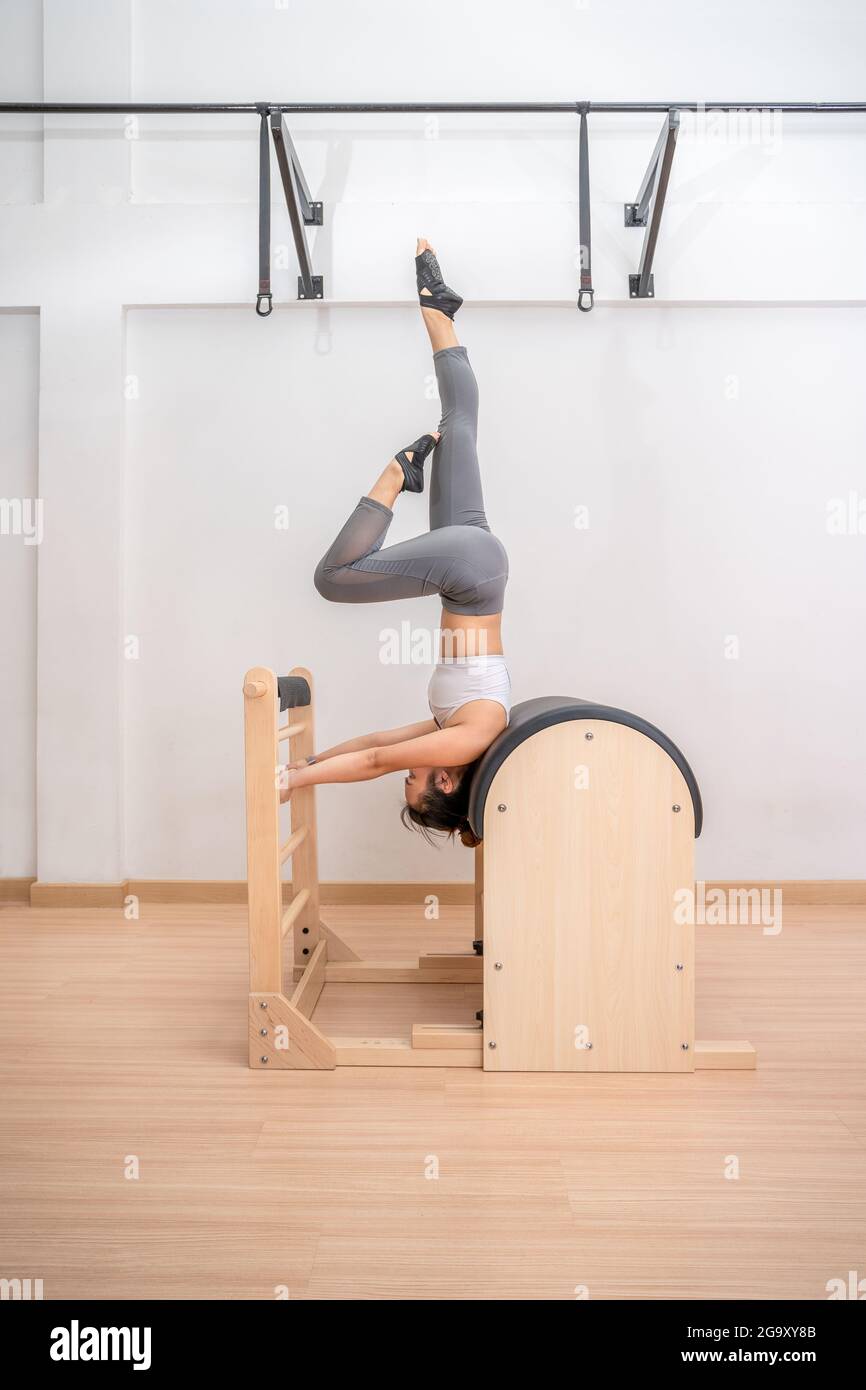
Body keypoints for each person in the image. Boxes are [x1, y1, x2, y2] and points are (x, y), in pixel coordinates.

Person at [281, 240, 510, 847]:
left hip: (476, 567)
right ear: (445, 781)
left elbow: (376, 745)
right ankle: (396, 474)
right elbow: (379, 763)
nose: (406, 771)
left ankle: (439, 310)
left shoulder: (452, 730)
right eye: (416, 782)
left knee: (459, 419)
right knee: (333, 580)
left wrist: (307, 766)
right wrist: (295, 785)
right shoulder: (469, 736)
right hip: (467, 572)